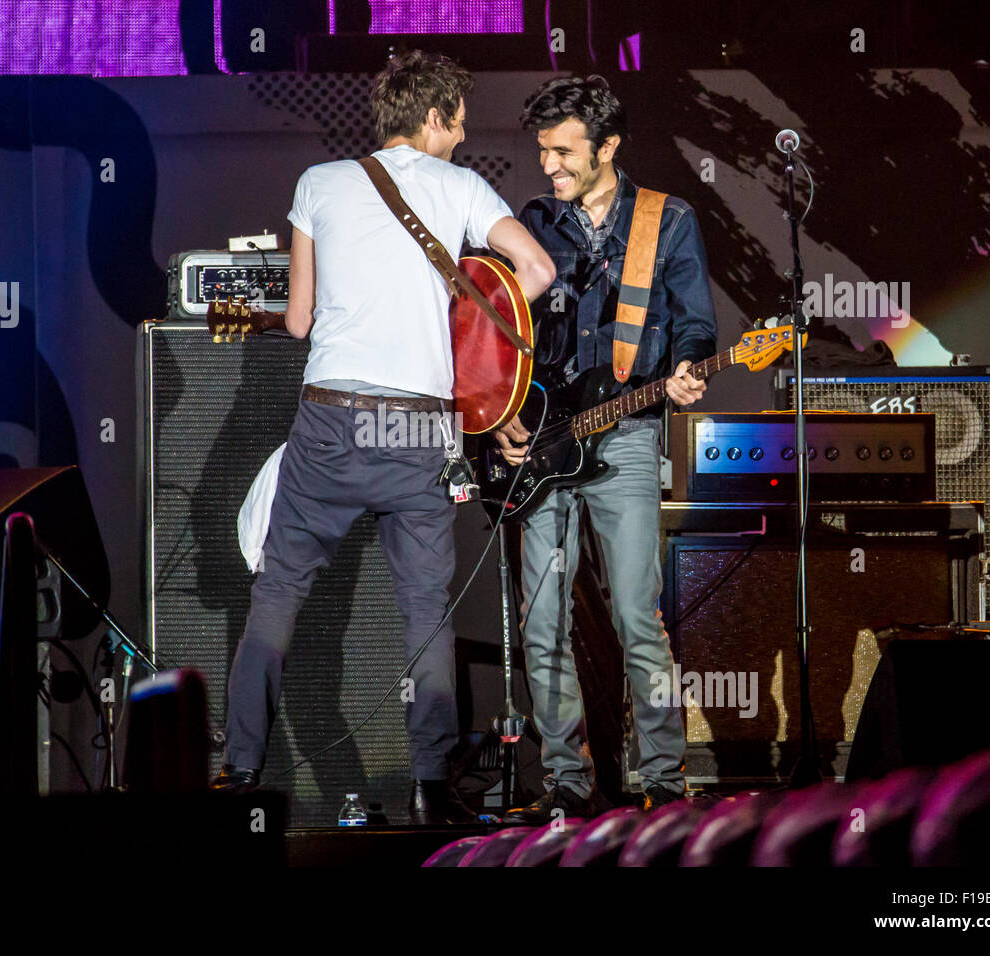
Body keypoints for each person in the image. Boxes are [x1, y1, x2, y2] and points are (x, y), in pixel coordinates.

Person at [211, 50, 555, 825]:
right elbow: (535, 269)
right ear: (433, 118)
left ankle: (238, 772)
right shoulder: (461, 187)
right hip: (422, 426)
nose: (464, 135)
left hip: (333, 417)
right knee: (425, 610)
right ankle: (432, 785)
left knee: (278, 594)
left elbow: (298, 321)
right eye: (458, 118)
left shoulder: (319, 184)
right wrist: (463, 324)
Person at [495, 75, 717, 823]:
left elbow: (694, 325)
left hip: (625, 436)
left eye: (563, 152)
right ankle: (565, 779)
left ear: (608, 147)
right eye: (543, 152)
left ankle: (663, 777)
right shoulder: (533, 221)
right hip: (546, 445)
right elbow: (500, 339)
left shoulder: (668, 220)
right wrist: (504, 418)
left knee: (635, 616)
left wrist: (687, 372)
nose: (549, 166)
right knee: (541, 620)